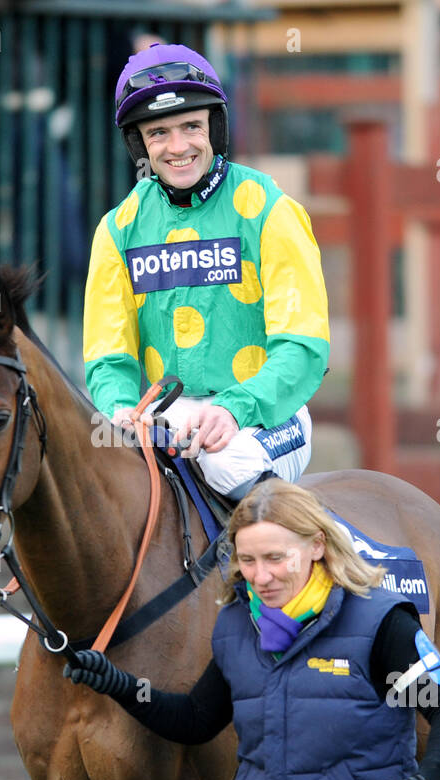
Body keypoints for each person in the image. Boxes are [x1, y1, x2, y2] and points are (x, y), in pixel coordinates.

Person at [62, 480, 440, 780]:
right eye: (247, 561)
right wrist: (119, 684)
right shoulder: (235, 626)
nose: (260, 577)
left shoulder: (382, 620)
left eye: (275, 558)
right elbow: (193, 720)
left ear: (317, 545)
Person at [82, 43, 330, 499]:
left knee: (223, 461)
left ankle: (294, 559)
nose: (178, 147)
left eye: (191, 126)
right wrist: (119, 411)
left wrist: (235, 409)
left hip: (268, 415)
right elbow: (108, 356)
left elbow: (304, 346)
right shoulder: (117, 229)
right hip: (168, 415)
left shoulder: (271, 210)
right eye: (158, 133)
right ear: (139, 143)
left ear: (214, 126)